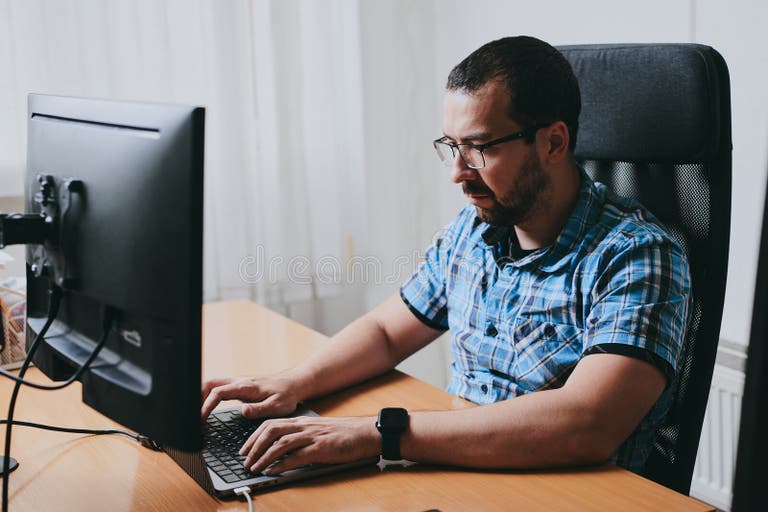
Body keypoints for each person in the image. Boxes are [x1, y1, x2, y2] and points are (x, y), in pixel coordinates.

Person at [201, 35, 690, 478]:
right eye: (452, 146)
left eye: (478, 148)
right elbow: (388, 331)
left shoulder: (637, 256)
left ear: (553, 142)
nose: (457, 172)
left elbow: (587, 424)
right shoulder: (473, 231)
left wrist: (380, 434)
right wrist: (294, 383)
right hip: (459, 471)